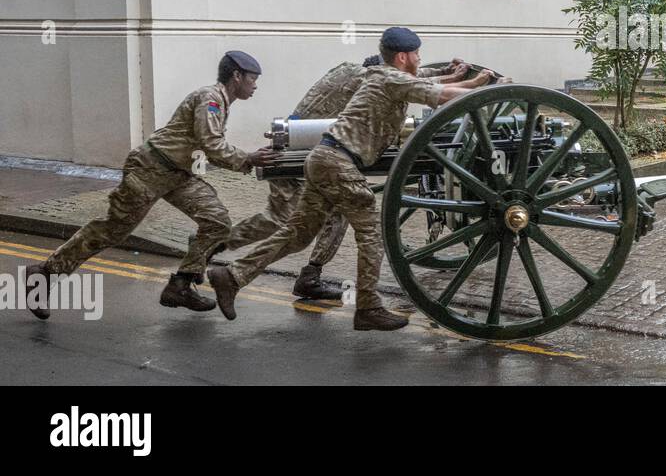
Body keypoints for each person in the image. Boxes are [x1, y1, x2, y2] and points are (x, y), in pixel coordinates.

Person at [208, 28, 502, 331]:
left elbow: (428, 81)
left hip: (323, 159)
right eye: (417, 54)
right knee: (372, 230)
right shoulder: (392, 78)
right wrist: (488, 91)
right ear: (403, 57)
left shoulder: (384, 75)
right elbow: (439, 95)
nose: (419, 58)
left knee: (299, 234)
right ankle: (368, 307)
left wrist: (469, 79)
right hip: (338, 162)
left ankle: (232, 275)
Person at [195, 55, 471, 300]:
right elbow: (407, 83)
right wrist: (455, 77)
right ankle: (213, 247)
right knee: (279, 220)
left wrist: (449, 73)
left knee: (330, 215)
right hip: (300, 154)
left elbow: (409, 80)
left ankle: (308, 276)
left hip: (307, 150)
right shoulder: (367, 77)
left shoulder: (348, 71)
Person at [26, 51, 276, 319]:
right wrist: (248, 158)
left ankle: (181, 285)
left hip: (177, 174)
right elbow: (211, 143)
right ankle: (44, 273)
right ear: (236, 76)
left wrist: (250, 160)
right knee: (111, 231)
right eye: (252, 79)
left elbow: (208, 145)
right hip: (149, 169)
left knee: (217, 222)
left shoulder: (221, 101)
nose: (255, 85)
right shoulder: (210, 98)